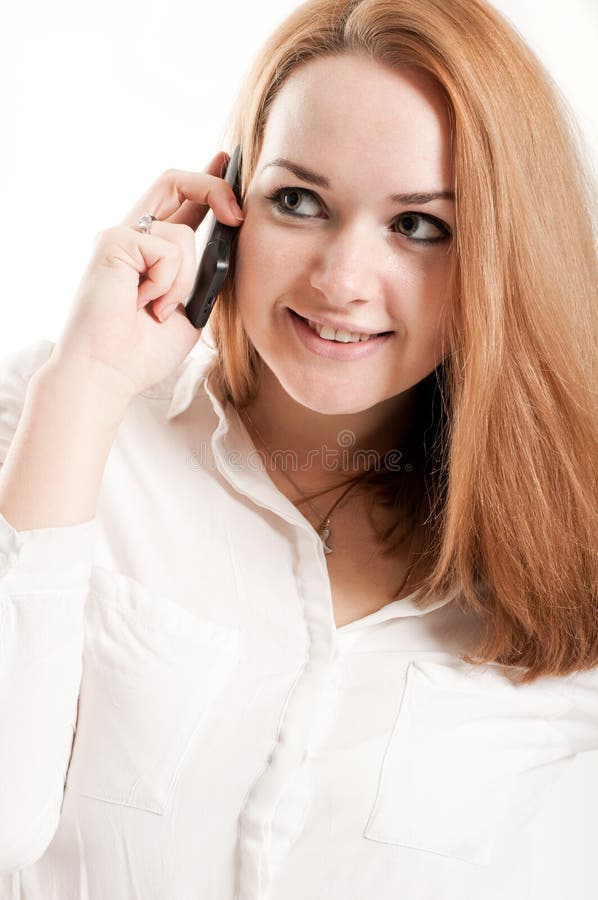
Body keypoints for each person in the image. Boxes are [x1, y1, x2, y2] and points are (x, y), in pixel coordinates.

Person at [0, 0, 596, 897]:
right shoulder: (60, 415)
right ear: (228, 208)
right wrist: (87, 384)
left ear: (505, 257)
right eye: (299, 201)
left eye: (418, 225)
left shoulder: (568, 544)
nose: (342, 281)